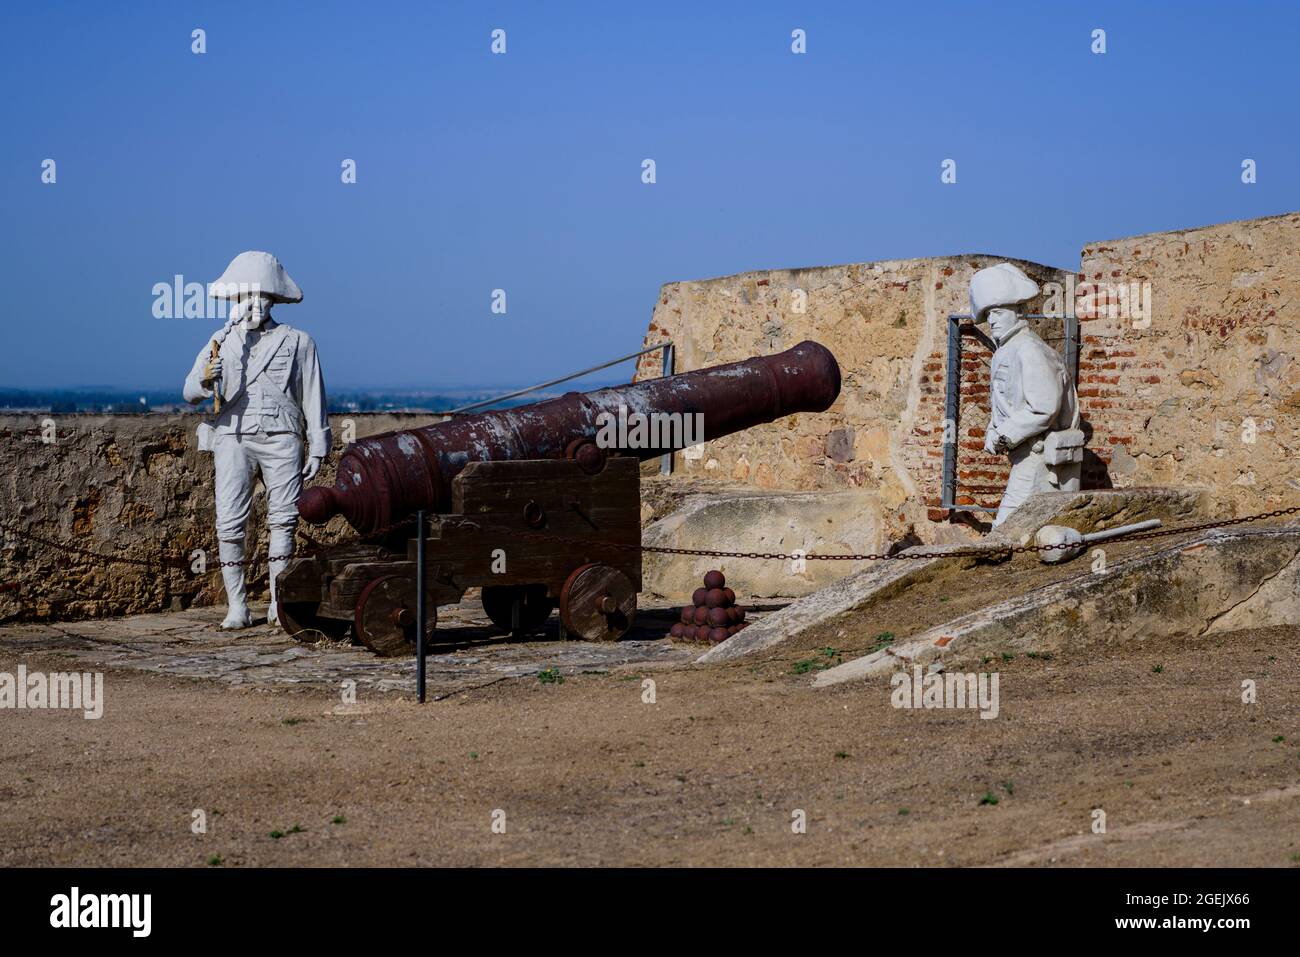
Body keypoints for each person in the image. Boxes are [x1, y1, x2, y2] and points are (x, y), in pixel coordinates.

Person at [183, 251, 331, 628]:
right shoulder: (221, 341)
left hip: (282, 437)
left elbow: (313, 395)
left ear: (274, 298)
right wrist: (205, 378)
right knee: (229, 523)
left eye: (262, 294)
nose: (255, 301)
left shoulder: (299, 341)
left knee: (283, 522)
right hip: (232, 437)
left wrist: (319, 443)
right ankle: (238, 605)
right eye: (247, 294)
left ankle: (279, 604)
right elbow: (188, 391)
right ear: (235, 299)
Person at [969, 263, 1084, 526]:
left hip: (1040, 458)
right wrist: (992, 430)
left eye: (998, 312)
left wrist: (1003, 434)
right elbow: (1005, 403)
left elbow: (1043, 408)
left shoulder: (1029, 350)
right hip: (1025, 457)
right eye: (988, 315)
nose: (992, 320)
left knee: (1006, 528)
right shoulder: (1007, 351)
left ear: (1019, 311)